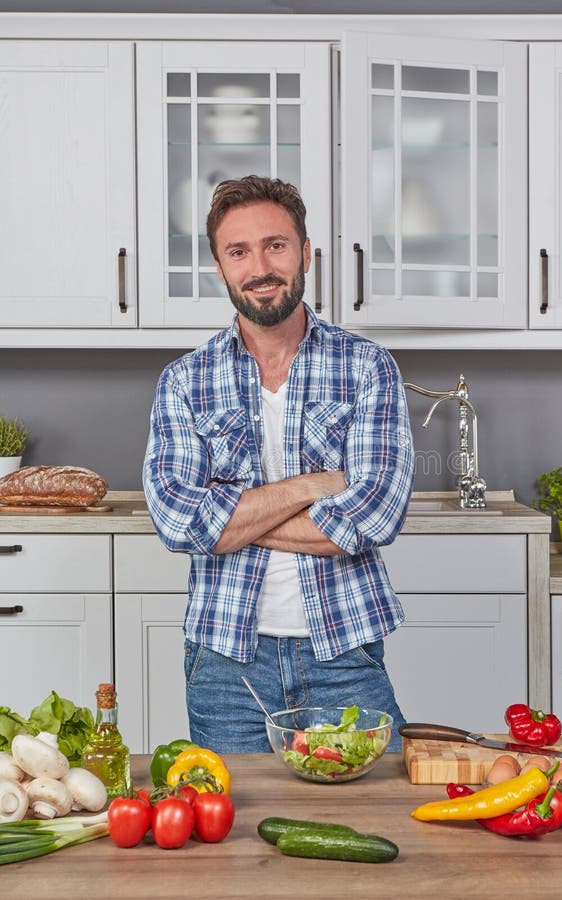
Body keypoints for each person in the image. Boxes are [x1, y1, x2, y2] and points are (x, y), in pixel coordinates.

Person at [143, 175, 414, 752]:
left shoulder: (368, 367)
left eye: (275, 245)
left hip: (345, 651)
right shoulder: (184, 382)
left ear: (306, 252)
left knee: (378, 824)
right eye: (238, 251)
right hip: (225, 662)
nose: (259, 266)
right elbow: (178, 523)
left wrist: (231, 520)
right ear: (220, 267)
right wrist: (317, 484)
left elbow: (372, 518)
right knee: (234, 835)